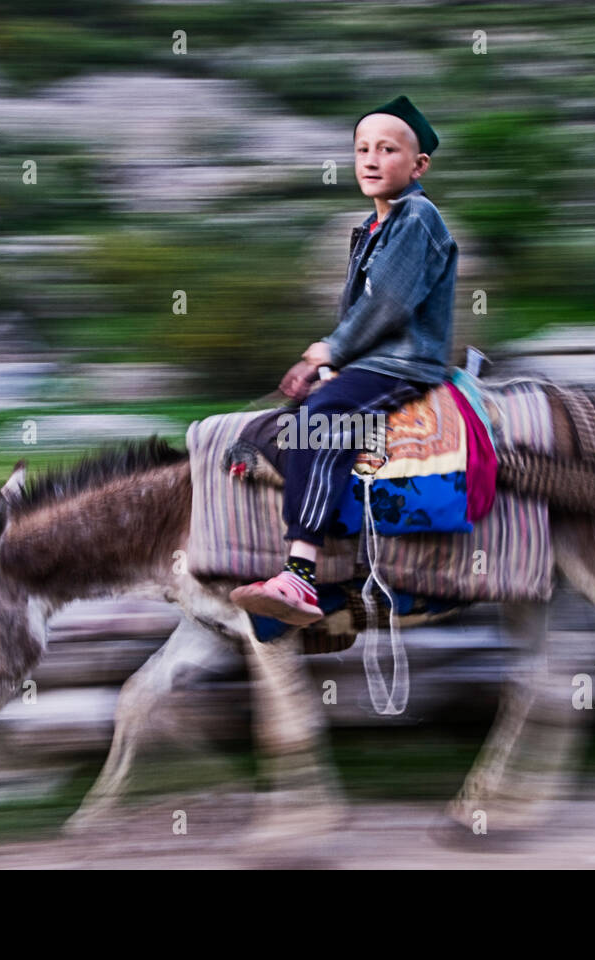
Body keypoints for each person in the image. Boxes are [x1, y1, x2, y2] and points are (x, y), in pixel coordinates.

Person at [231, 95, 458, 626]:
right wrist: (331, 361)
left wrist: (332, 350)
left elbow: (390, 304)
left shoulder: (418, 217)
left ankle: (301, 574)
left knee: (319, 423)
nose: (371, 160)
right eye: (362, 149)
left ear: (419, 164)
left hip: (406, 365)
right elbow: (358, 311)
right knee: (277, 429)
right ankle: (336, 562)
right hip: (371, 363)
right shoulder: (372, 227)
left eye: (387, 149)